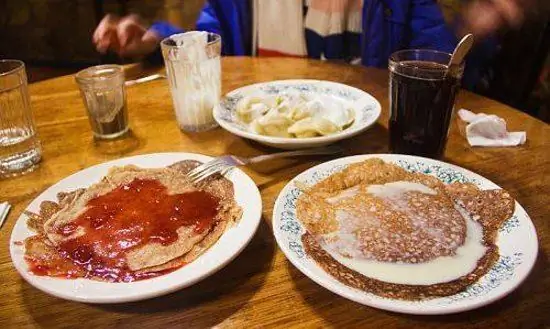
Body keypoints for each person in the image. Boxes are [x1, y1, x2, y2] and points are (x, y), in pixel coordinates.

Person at [93, 0, 461, 68]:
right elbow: (208, 41)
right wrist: (156, 38)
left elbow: (439, 60)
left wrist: (481, 31)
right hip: (264, 145)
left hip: (365, 142)